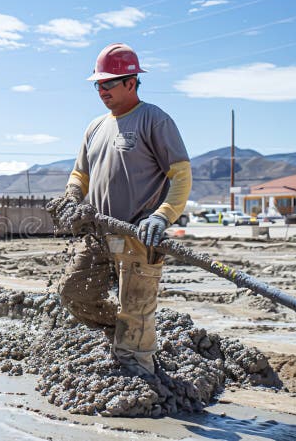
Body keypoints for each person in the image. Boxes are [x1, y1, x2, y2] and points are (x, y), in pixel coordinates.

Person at [47, 43, 192, 377]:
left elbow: (181, 175)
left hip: (138, 235)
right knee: (73, 293)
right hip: (97, 233)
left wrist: (163, 214)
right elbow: (80, 172)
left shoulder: (154, 120)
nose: (101, 91)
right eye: (97, 84)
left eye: (108, 83)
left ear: (131, 82)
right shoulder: (95, 127)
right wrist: (72, 193)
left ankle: (140, 379)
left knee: (137, 308)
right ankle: (121, 332)